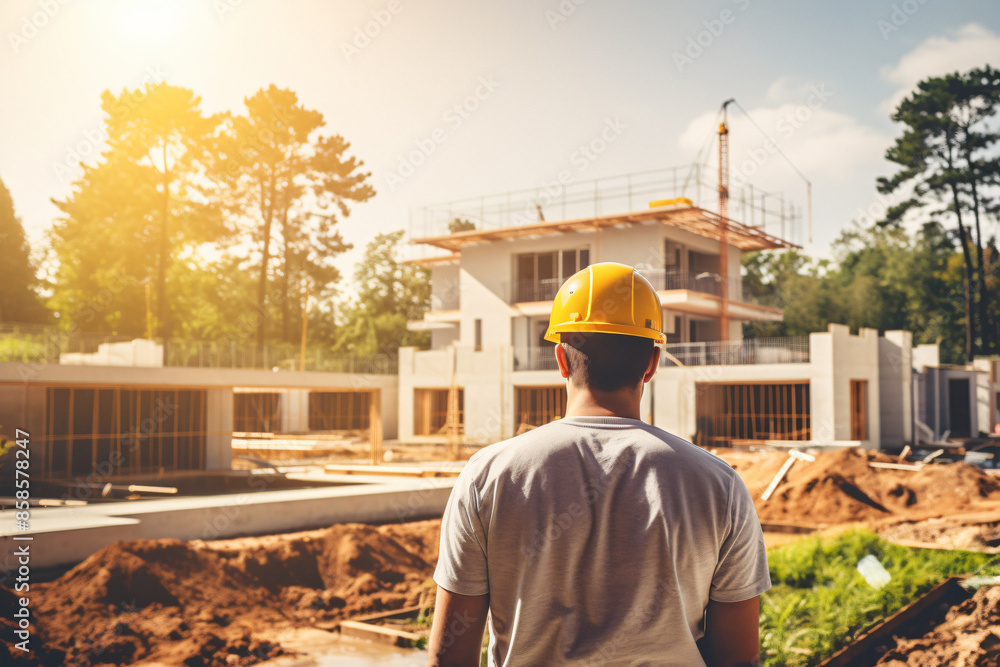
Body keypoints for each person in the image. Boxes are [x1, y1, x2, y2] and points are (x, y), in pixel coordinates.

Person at [427, 262, 770, 667]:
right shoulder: (720, 486)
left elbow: (450, 658)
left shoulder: (488, 476)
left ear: (561, 359)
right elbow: (739, 659)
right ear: (652, 363)